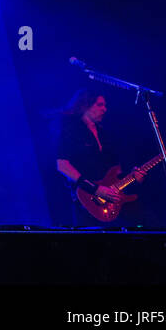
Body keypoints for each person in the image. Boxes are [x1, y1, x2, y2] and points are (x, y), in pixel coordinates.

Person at [55, 88, 142, 227]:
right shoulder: (70, 130)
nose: (105, 109)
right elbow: (62, 165)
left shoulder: (104, 133)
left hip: (109, 198)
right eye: (99, 105)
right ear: (85, 105)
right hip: (85, 198)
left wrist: (132, 177)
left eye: (105, 105)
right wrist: (95, 189)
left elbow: (115, 171)